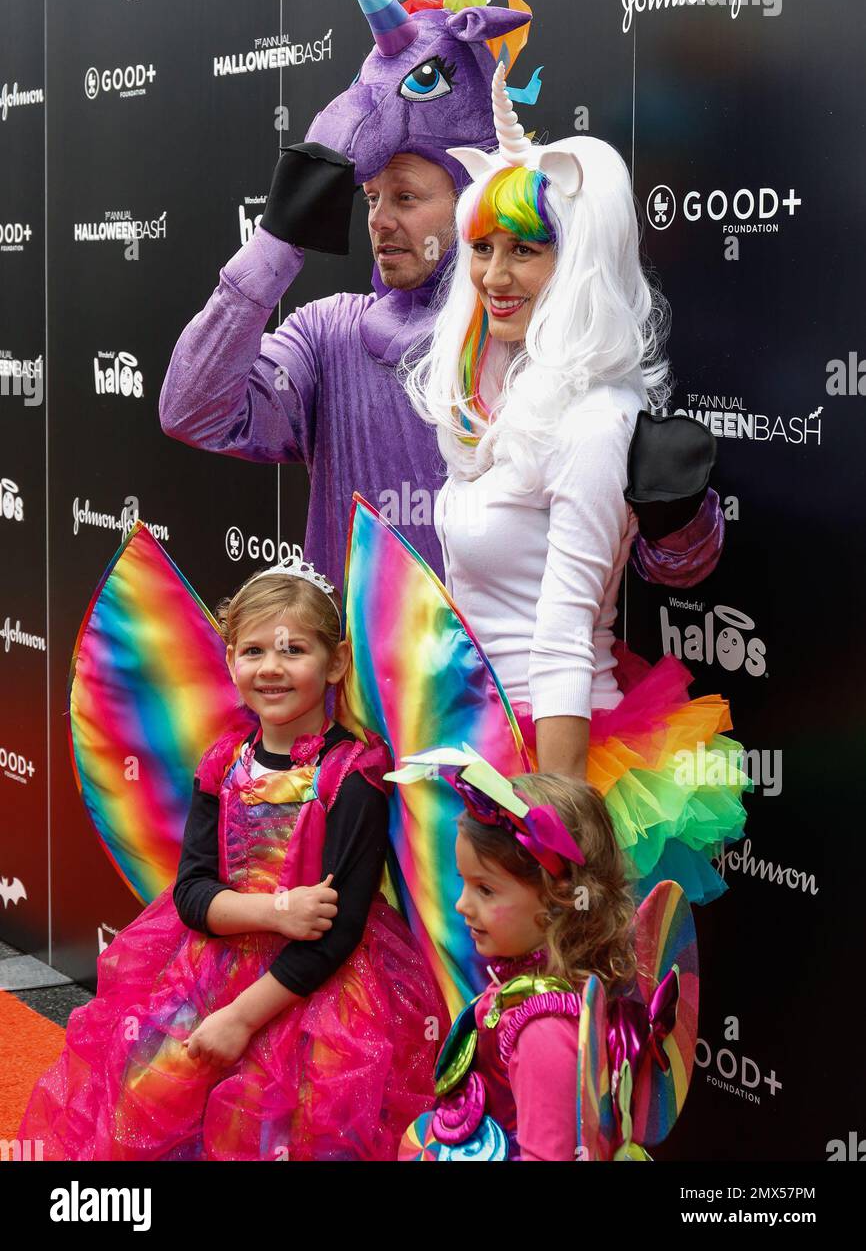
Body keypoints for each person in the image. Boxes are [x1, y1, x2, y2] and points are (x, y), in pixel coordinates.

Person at [158, 0, 723, 593]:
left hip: (501, 666)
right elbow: (193, 411)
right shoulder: (330, 336)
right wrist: (279, 240)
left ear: (469, 198)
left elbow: (671, 568)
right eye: (370, 198)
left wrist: (675, 512)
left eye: (405, 196)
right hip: (361, 666)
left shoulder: (546, 346)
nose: (380, 220)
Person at [402, 63, 751, 905]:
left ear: (581, 262)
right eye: (483, 248)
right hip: (480, 740)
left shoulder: (596, 419)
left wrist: (551, 842)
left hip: (554, 754)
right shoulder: (496, 392)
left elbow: (561, 637)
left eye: (526, 250)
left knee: (558, 979)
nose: (495, 276)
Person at [16, 559, 449, 1161]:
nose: (271, 667)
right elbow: (192, 894)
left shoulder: (353, 774)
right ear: (230, 661)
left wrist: (242, 1019)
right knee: (147, 1095)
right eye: (253, 651)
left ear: (337, 662)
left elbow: (337, 929)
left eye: (293, 650)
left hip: (320, 989)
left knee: (284, 1126)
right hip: (211, 966)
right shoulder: (223, 764)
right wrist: (277, 911)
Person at [392, 747, 698, 1161]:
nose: (462, 904)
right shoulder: (538, 992)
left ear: (558, 898)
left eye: (485, 890)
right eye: (464, 881)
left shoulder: (543, 1033)